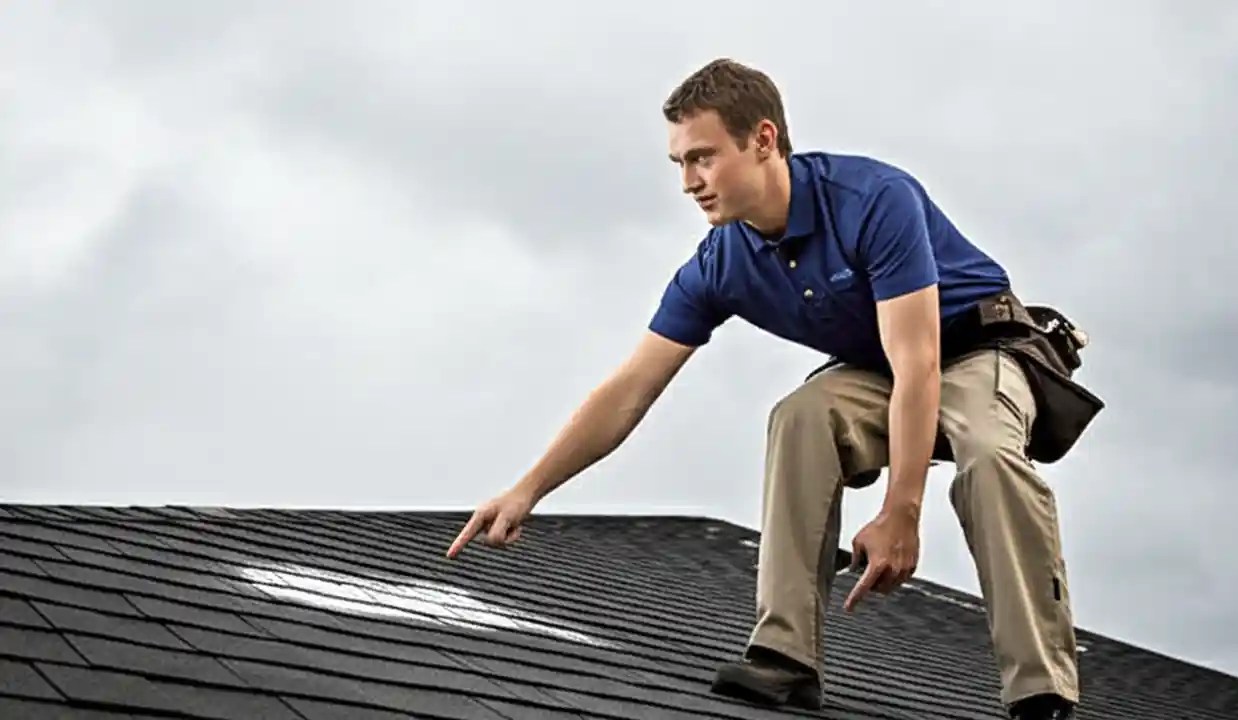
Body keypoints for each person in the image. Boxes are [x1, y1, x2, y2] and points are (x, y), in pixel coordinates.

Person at [445, 58, 1102, 720]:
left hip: (974, 350)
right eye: (677, 162)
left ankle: (1039, 689)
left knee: (989, 455)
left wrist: (902, 511)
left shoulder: (874, 200)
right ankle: (786, 657)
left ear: (762, 140)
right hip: (877, 372)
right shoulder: (719, 262)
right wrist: (528, 490)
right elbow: (630, 389)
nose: (687, 183)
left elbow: (920, 365)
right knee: (800, 414)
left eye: (701, 158)